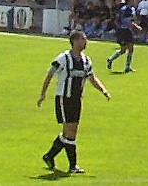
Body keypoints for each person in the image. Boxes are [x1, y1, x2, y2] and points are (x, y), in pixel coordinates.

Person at [38, 30, 111, 174]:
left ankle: (49, 156)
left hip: (77, 99)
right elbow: (50, 74)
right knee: (70, 131)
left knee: (70, 132)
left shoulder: (86, 60)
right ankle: (73, 165)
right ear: (76, 41)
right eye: (84, 39)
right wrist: (43, 94)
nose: (86, 41)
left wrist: (103, 90)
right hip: (64, 98)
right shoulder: (64, 58)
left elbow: (92, 78)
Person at [106, 0, 141, 73]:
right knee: (123, 50)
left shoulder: (132, 9)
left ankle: (127, 67)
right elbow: (123, 20)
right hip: (122, 30)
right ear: (128, 1)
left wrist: (135, 23)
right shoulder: (123, 9)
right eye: (133, 0)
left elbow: (132, 19)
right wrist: (133, 25)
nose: (134, 1)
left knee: (131, 48)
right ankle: (110, 59)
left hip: (128, 30)